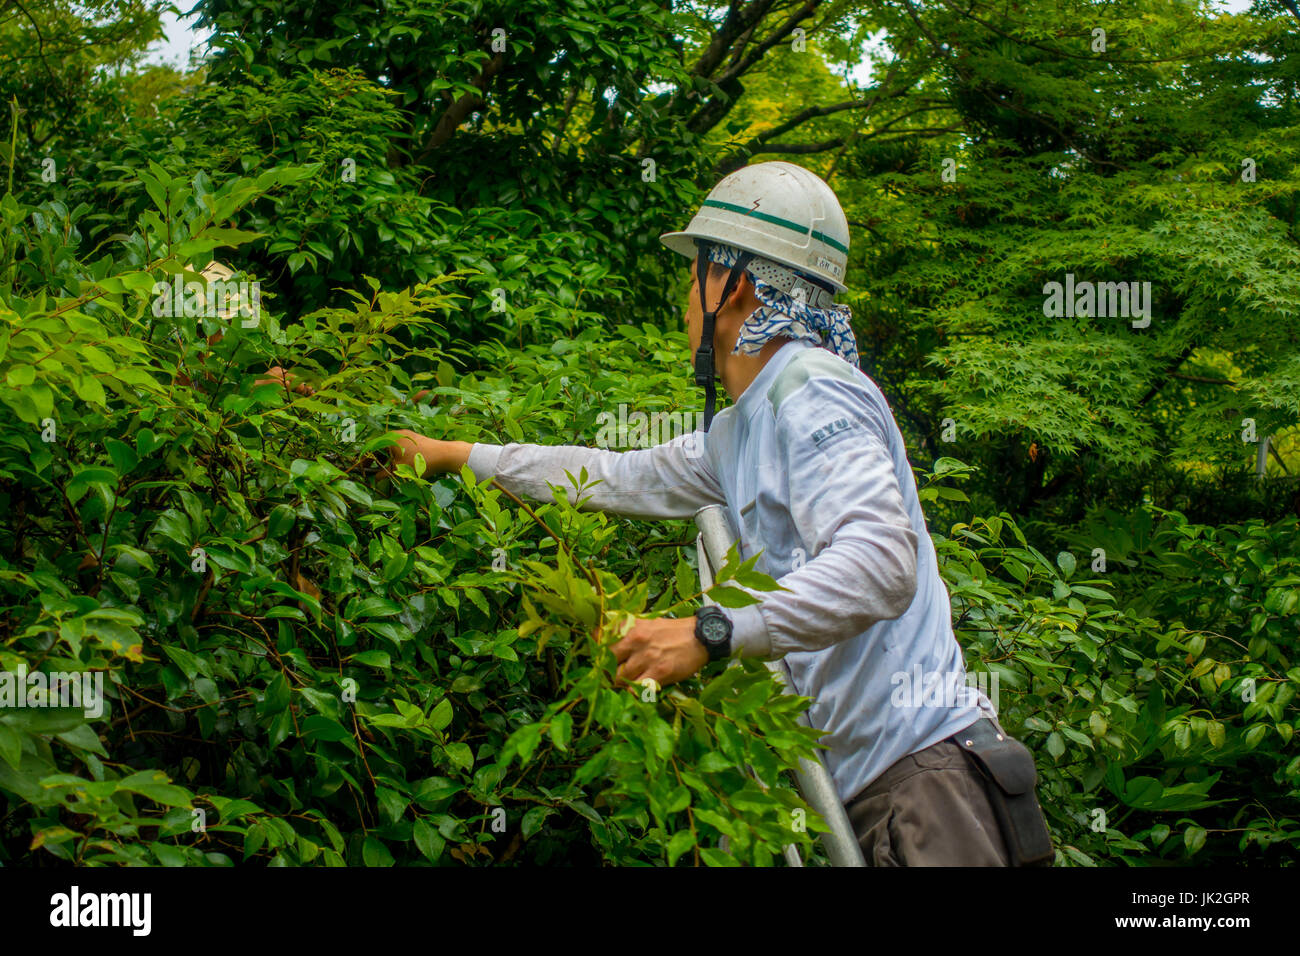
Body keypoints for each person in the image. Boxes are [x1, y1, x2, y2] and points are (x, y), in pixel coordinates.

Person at [385, 161, 1053, 867]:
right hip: (882, 796)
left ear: (732, 283)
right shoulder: (741, 430)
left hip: (928, 784)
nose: (684, 302)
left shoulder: (814, 394)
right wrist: (457, 455)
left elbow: (883, 562)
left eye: (692, 274)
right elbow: (611, 475)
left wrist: (710, 631)